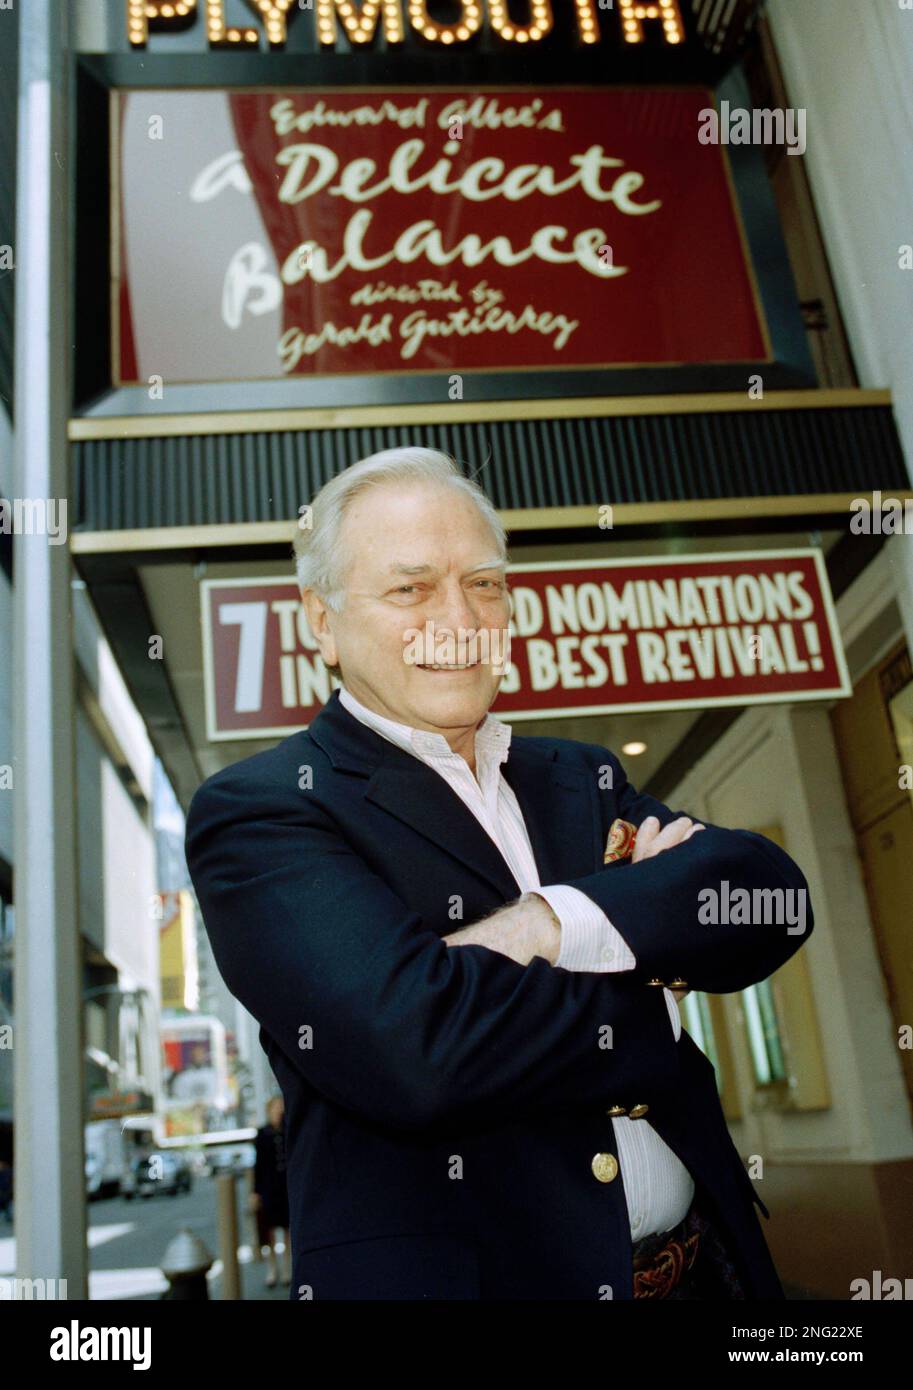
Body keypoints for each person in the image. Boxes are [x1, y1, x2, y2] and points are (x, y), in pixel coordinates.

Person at [185, 446, 815, 1300]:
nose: (459, 618)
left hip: (707, 1274)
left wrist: (549, 923)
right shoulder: (263, 809)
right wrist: (650, 978)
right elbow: (416, 1050)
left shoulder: (577, 775)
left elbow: (766, 899)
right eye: (410, 589)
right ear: (320, 622)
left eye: (484, 584)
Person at [250, 1095, 291, 1288]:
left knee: (288, 1229)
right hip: (269, 1188)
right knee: (269, 1232)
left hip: (287, 1187)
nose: (278, 1111)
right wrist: (255, 1192)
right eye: (275, 1107)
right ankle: (272, 1268)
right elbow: (258, 1166)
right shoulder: (262, 1134)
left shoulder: (288, 1131)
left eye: (281, 1107)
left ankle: (287, 1269)